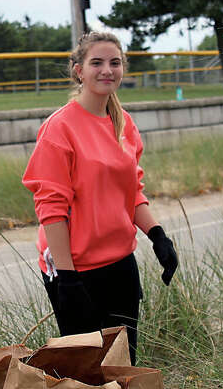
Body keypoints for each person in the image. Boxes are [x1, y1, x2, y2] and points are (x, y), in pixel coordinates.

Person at [21, 30, 178, 359]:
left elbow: (132, 192)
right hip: (75, 271)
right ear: (78, 69)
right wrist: (66, 278)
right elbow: (51, 210)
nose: (107, 70)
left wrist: (158, 236)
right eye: (97, 62)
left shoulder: (124, 124)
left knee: (124, 363)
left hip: (120, 263)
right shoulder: (59, 128)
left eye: (115, 63)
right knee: (87, 375)